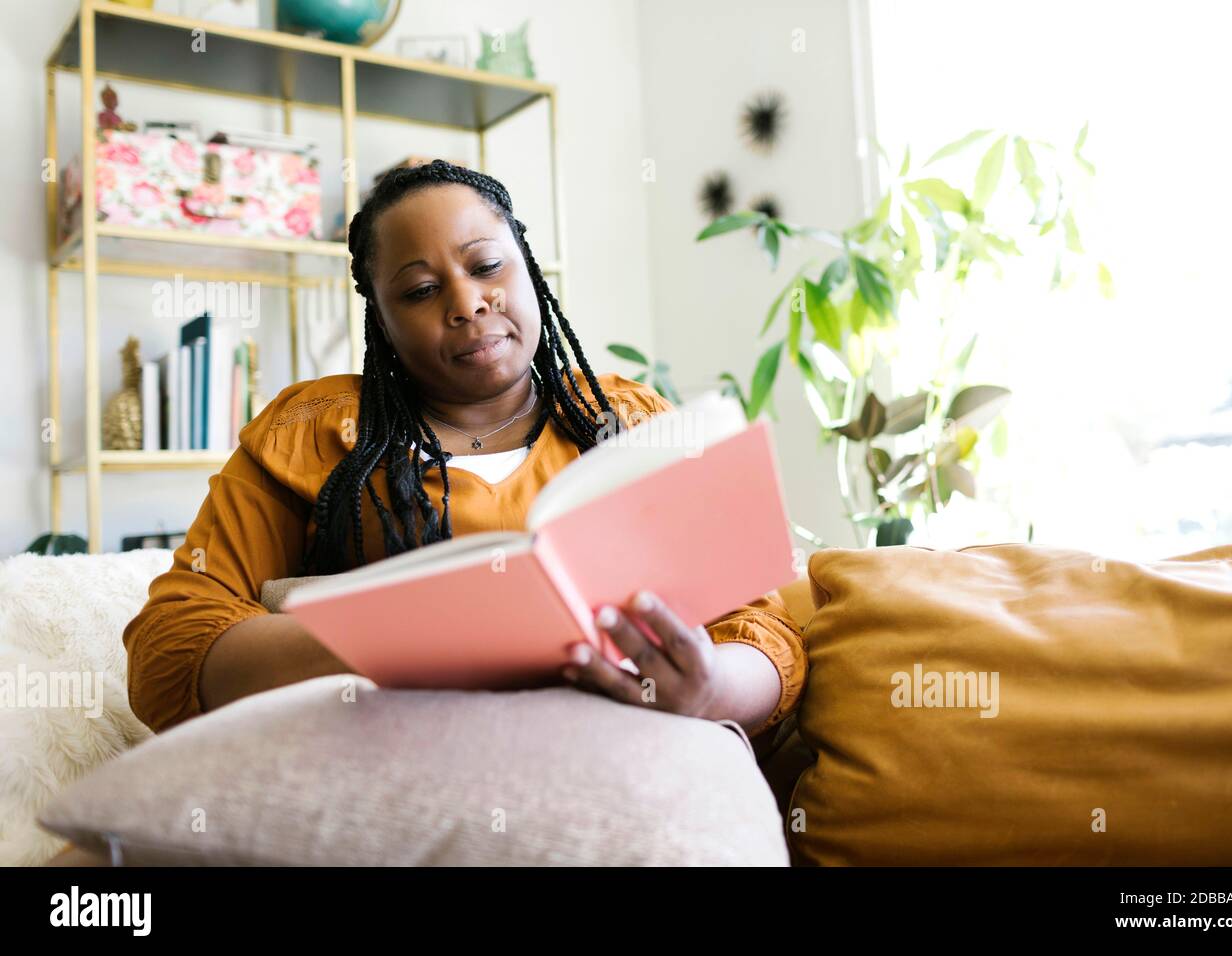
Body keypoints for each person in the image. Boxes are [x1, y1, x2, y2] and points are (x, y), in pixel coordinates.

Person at [122, 160, 807, 742]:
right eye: (420, 291)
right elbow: (170, 651)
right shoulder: (316, 433)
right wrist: (417, 636)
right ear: (382, 322)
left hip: (625, 759)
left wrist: (710, 688)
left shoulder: (626, 421)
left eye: (486, 266)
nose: (468, 303)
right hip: (400, 774)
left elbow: (764, 633)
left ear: (530, 271)